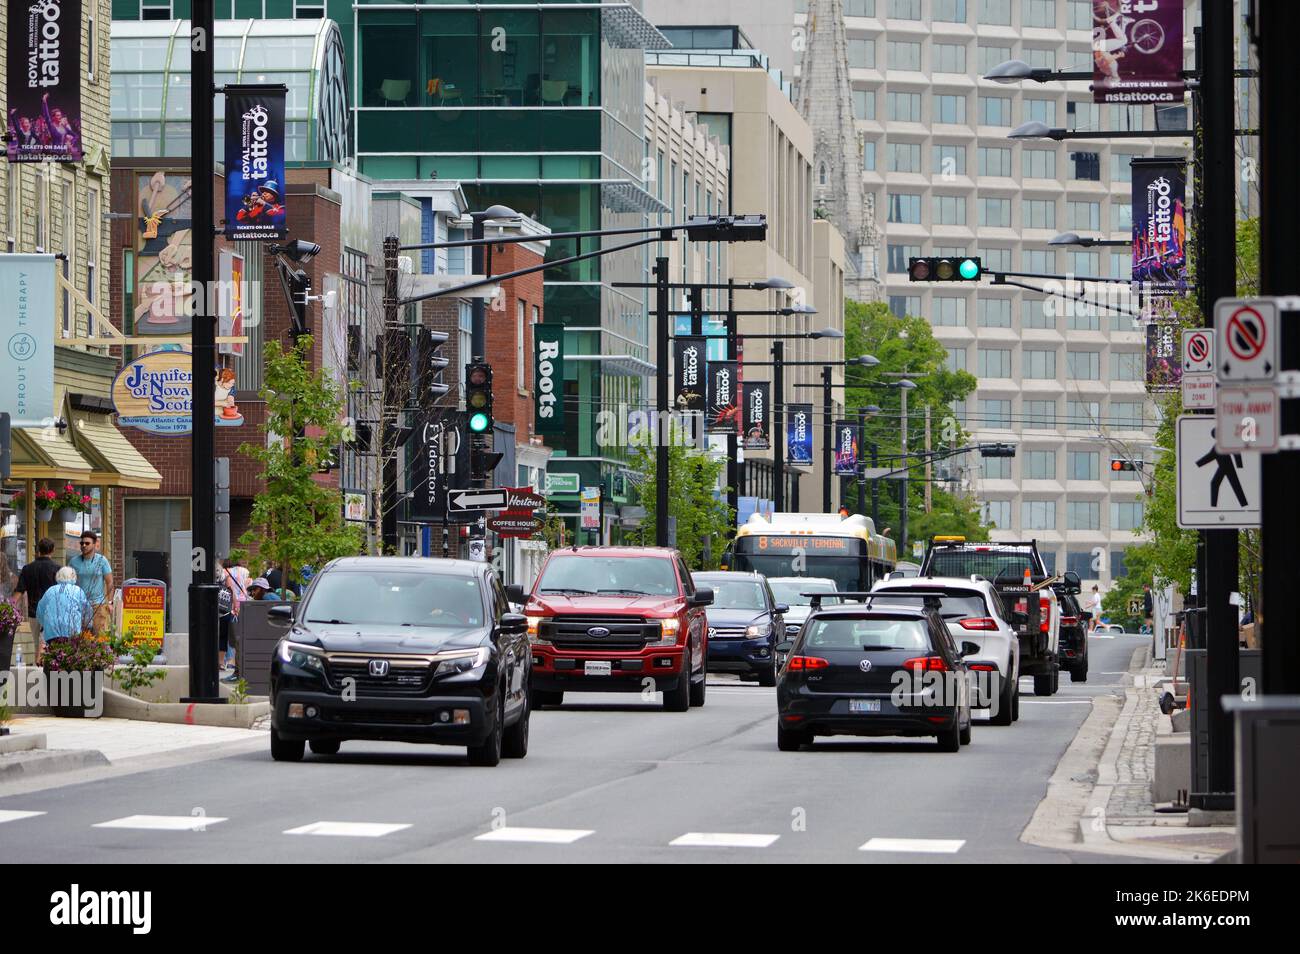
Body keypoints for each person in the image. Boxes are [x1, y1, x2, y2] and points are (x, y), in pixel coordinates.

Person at [14, 538, 60, 649]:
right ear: (53, 550)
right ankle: (48, 665)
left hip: (33, 610)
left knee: (35, 643)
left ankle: (37, 664)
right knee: (50, 642)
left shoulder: (27, 569)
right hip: (52, 611)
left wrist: (9, 607)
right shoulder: (58, 569)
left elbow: (20, 590)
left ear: (38, 550)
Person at [69, 531, 113, 636]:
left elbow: (109, 582)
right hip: (80, 605)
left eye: (87, 543)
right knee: (81, 638)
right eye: (82, 543)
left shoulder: (102, 561)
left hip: (98, 605)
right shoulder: (73, 561)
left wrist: (110, 603)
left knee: (101, 637)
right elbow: (68, 583)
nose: (84, 546)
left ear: (94, 544)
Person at [36, 567, 92, 647]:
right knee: (70, 656)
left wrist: (45, 624)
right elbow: (87, 611)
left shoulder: (50, 591)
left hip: (51, 632)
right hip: (72, 631)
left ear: (58, 576)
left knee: (54, 655)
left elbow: (40, 611)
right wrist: (87, 625)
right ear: (73, 577)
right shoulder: (77, 591)